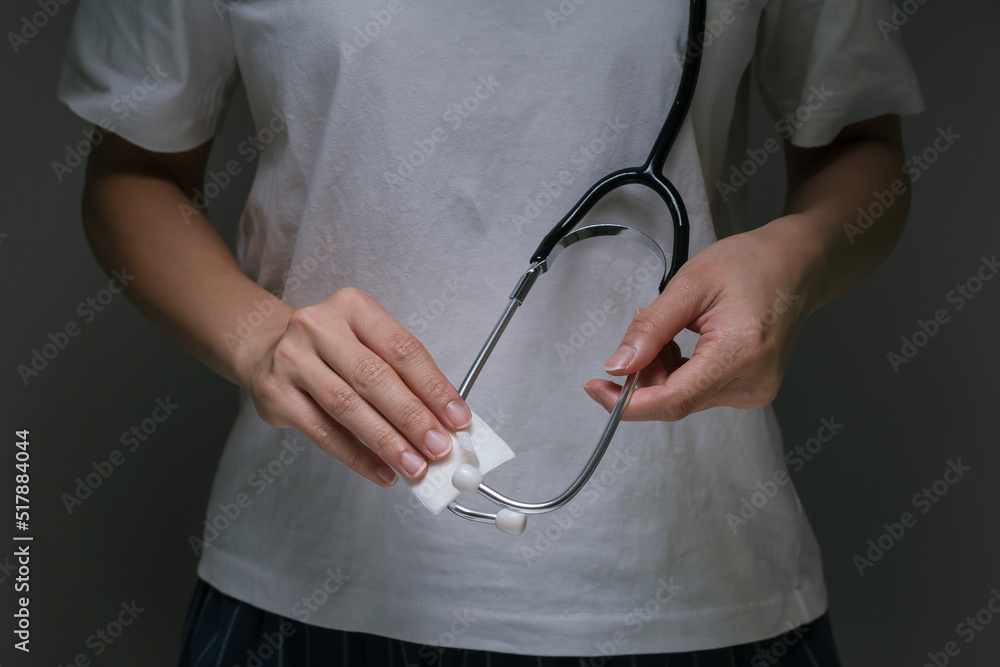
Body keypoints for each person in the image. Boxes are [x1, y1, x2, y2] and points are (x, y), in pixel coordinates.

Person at [58, 0, 923, 664]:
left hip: (686, 588)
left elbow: (860, 142)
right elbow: (131, 168)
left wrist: (793, 261)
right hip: (311, 591)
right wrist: (257, 337)